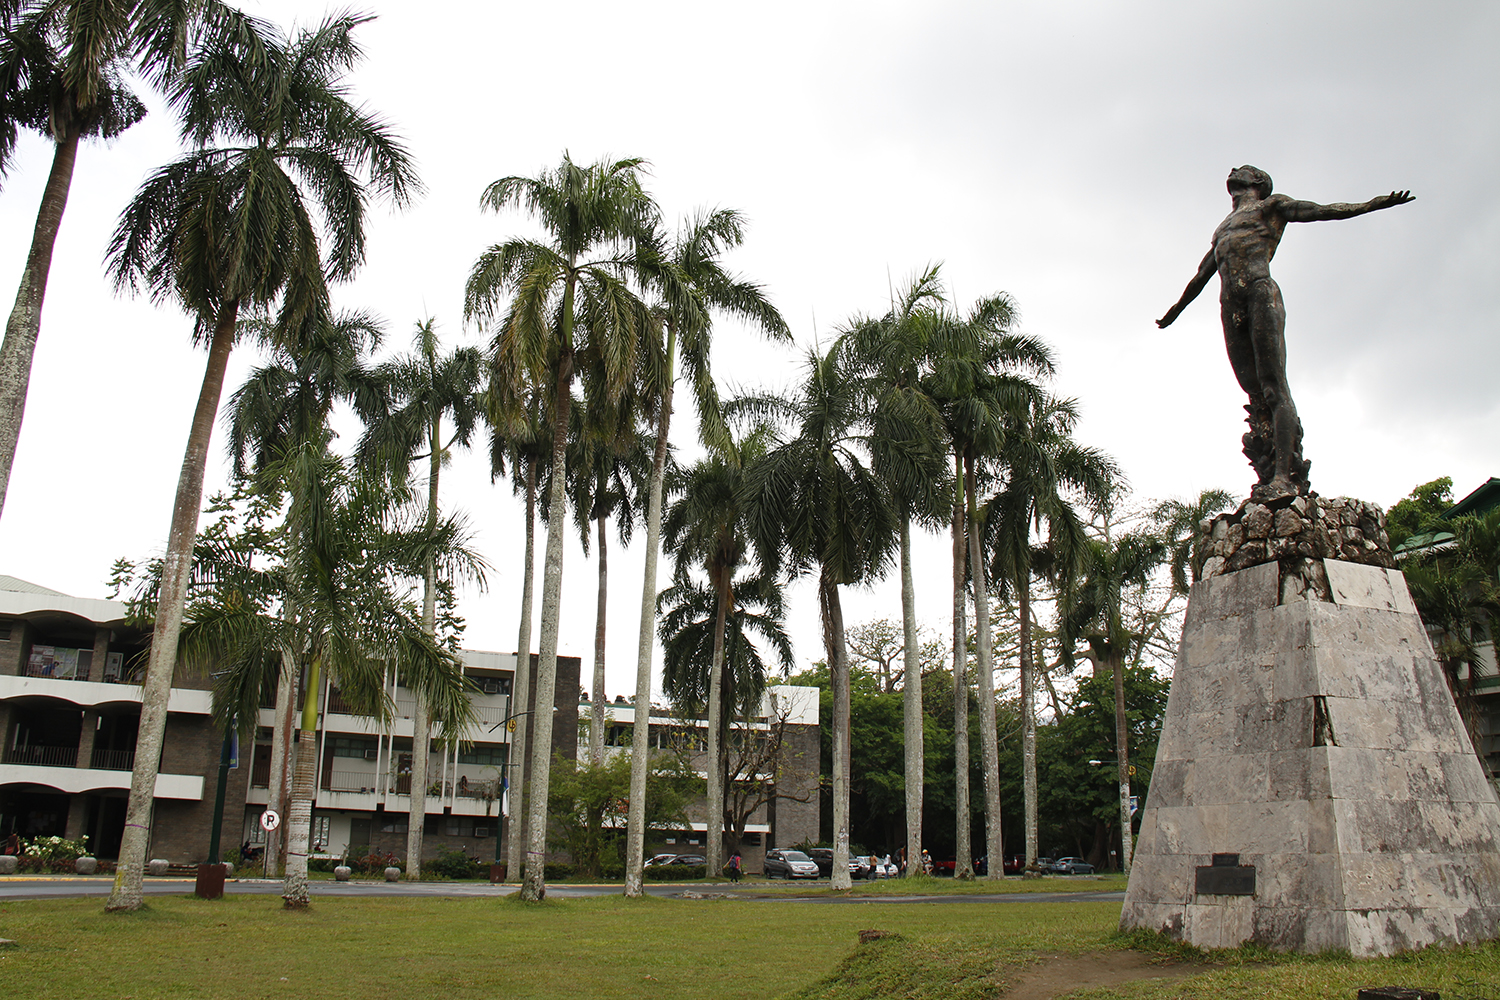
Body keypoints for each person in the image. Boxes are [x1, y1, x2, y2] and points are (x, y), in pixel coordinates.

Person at [1157, 166, 1413, 500]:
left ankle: (1284, 477)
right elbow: (1202, 273)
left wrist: (1371, 205)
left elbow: (1324, 211)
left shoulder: (1271, 208)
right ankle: (1266, 474)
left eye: (1244, 170)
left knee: (1274, 385)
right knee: (1254, 390)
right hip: (1230, 304)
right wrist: (1176, 309)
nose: (1234, 170)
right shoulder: (1222, 228)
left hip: (1260, 293)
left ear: (1257, 182)